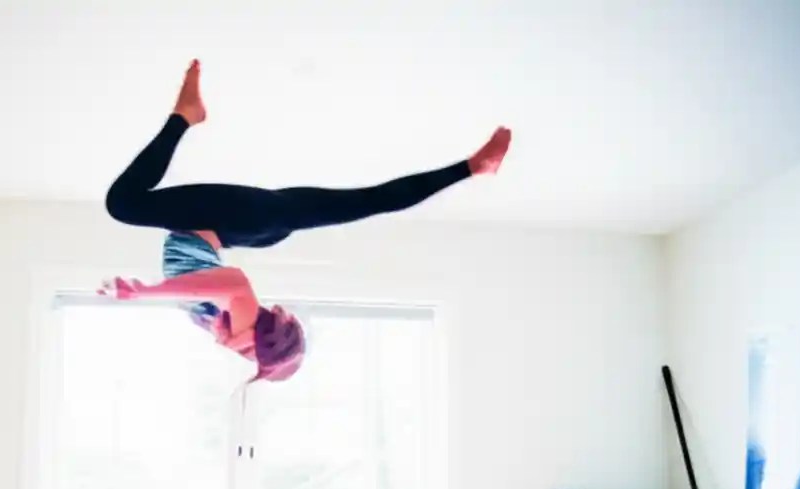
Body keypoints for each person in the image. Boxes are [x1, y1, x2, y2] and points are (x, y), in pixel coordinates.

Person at [101, 60, 511, 382]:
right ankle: (473, 167)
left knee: (366, 203)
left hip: (235, 228)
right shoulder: (243, 325)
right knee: (123, 204)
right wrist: (146, 292)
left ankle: (475, 167)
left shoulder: (228, 333)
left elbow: (217, 287)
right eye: (255, 356)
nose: (246, 356)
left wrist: (155, 295)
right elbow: (233, 284)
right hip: (241, 221)